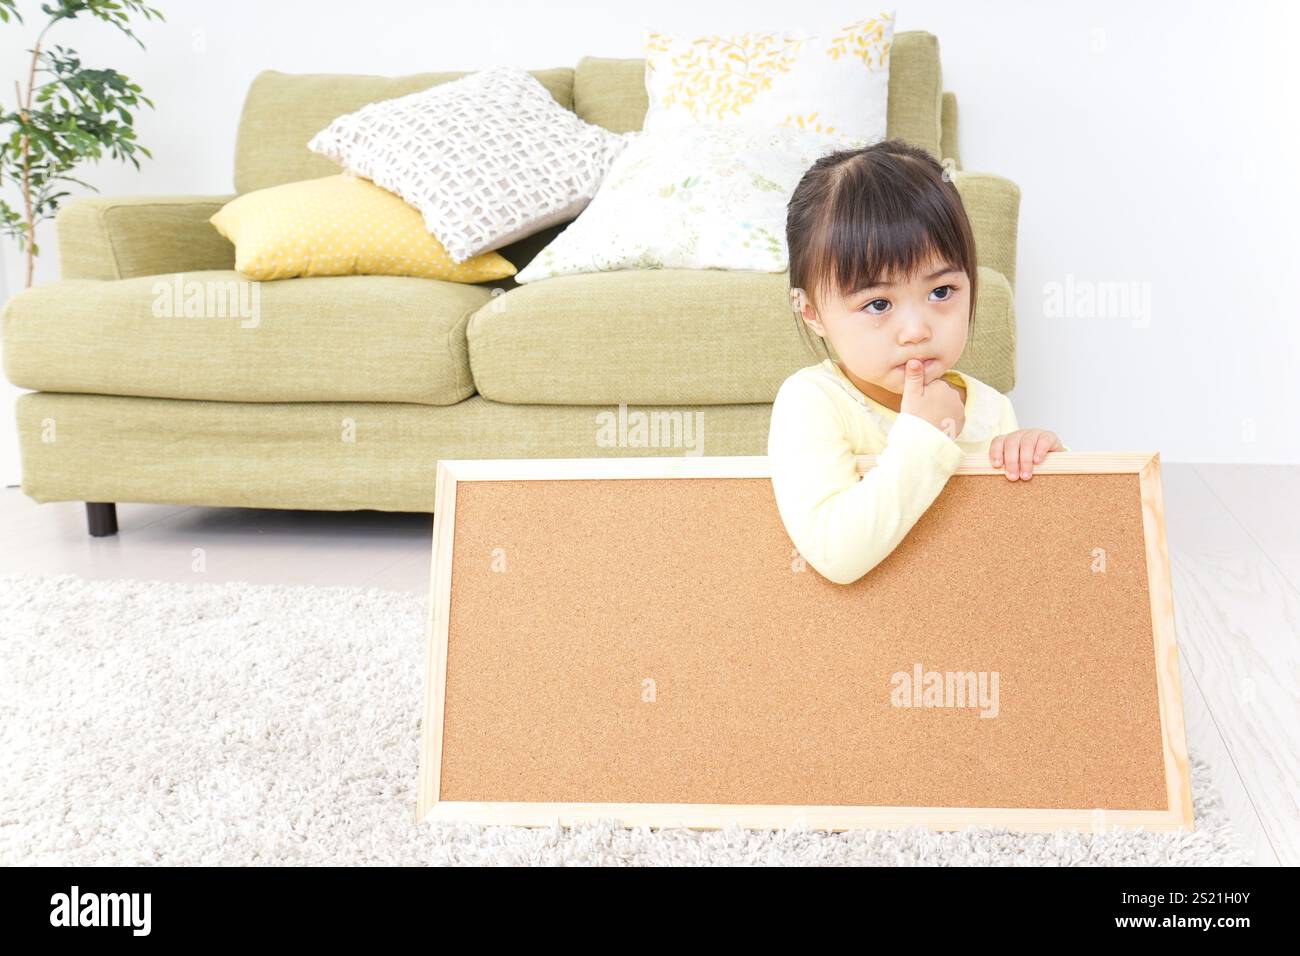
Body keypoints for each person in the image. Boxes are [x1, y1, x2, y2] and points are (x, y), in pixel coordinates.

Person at [768, 138, 1068, 586]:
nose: (917, 330)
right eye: (877, 304)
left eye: (941, 292)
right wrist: (924, 435)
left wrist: (1048, 473)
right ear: (812, 312)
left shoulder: (988, 408)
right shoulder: (814, 402)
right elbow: (836, 554)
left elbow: (1016, 558)